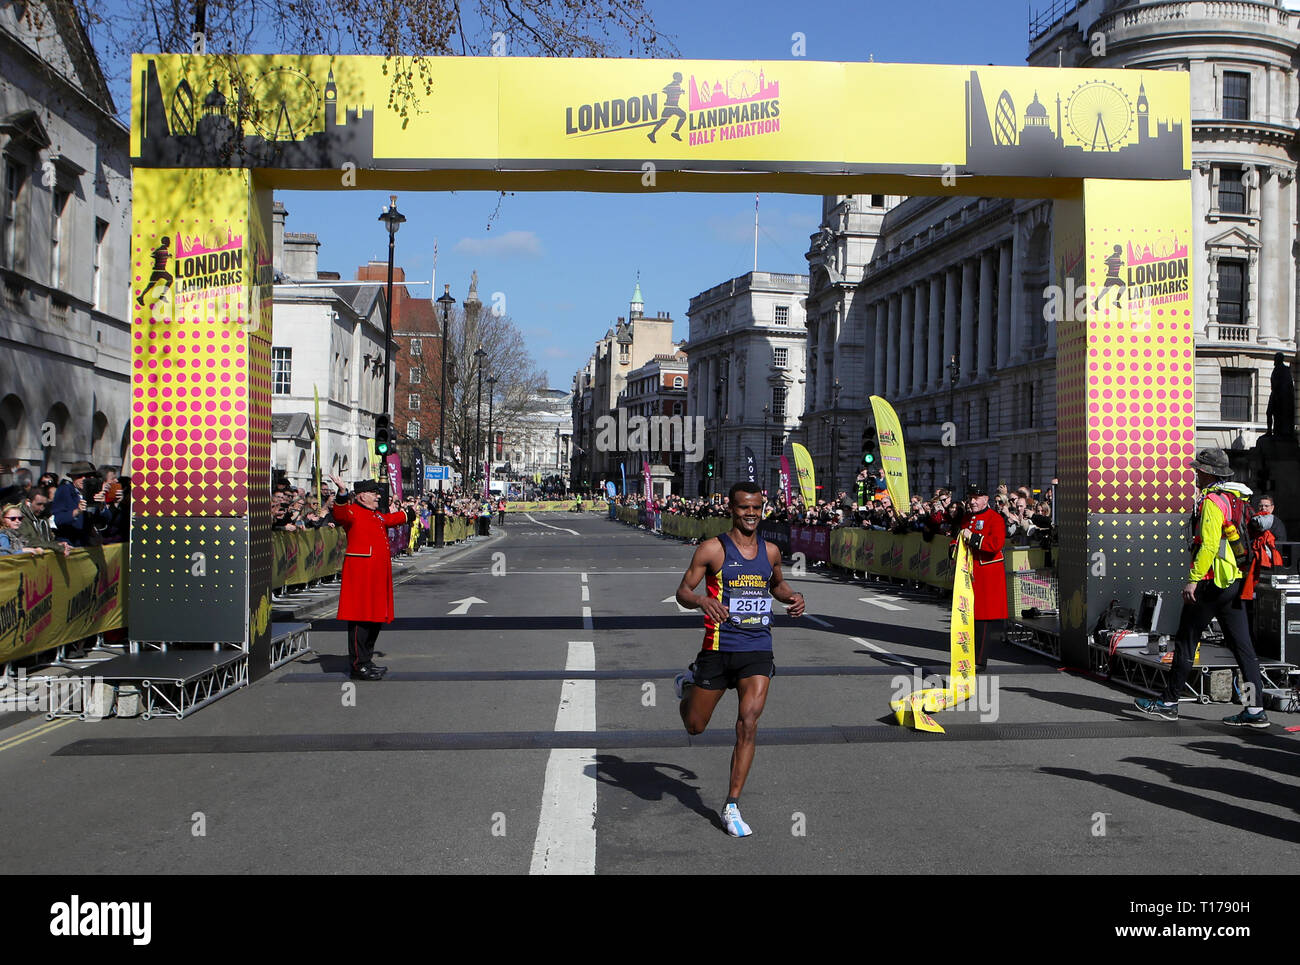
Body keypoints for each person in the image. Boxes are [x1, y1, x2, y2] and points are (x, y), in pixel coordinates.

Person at [671, 480, 806, 837]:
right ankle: (688, 683)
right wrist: (702, 601)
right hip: (717, 648)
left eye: (757, 507)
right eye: (744, 507)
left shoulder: (772, 551)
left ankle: (731, 804)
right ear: (731, 508)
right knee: (695, 726)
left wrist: (792, 597)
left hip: (757, 648)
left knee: (748, 722)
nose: (751, 513)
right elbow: (683, 590)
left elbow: (775, 584)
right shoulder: (712, 549)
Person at [1135, 448, 1270, 728]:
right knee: (1243, 648)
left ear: (1208, 473)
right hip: (1232, 580)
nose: (1195, 474)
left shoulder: (1211, 501)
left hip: (1210, 582)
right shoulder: (1236, 497)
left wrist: (1194, 579)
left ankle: (1168, 703)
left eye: (1198, 470)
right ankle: (1255, 709)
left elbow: (1208, 545)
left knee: (1186, 641)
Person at [329, 474, 408, 681]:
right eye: (374, 493)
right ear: (362, 495)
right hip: (361, 574)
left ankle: (366, 659)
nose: (377, 497)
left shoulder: (376, 515)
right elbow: (340, 514)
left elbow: (391, 519)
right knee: (360, 620)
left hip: (376, 575)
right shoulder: (352, 512)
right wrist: (342, 491)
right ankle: (358, 665)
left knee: (374, 620)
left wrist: (408, 513)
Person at [950, 482, 1007, 669]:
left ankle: (979, 661)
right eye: (970, 497)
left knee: (982, 619)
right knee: (966, 617)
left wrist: (972, 538)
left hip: (985, 575)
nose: (972, 501)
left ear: (985, 499)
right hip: (968, 573)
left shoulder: (995, 519)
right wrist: (954, 547)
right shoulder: (967, 518)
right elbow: (958, 537)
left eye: (976, 498)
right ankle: (967, 656)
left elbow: (995, 545)